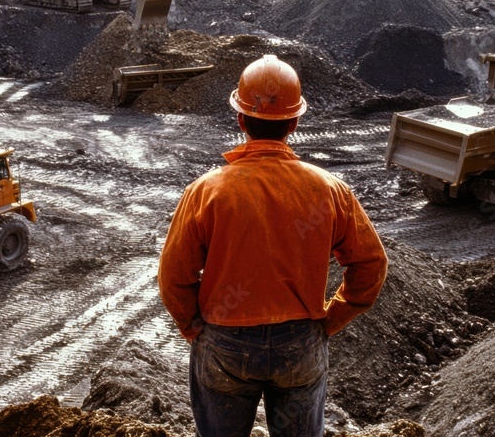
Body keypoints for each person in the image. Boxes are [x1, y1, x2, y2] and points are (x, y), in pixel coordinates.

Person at [158, 54, 388, 436]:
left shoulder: (206, 191)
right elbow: (371, 264)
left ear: (240, 119)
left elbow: (174, 276)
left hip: (224, 344)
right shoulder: (330, 189)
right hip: (300, 344)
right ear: (294, 123)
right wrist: (332, 319)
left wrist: (193, 325)